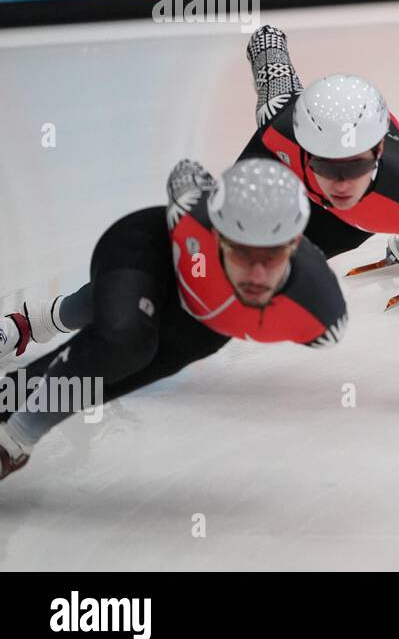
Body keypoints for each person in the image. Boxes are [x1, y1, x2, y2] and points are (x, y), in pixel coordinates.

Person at [0, 159, 347, 480]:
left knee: (111, 369)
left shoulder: (320, 313)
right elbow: (187, 170)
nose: (256, 274)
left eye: (270, 258)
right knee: (123, 335)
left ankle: (12, 419)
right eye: (242, 253)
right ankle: (23, 338)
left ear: (292, 246)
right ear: (220, 237)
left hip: (201, 323)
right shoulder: (192, 216)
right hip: (149, 245)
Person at [239, 26, 399, 411]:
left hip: (345, 225)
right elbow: (268, 51)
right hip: (285, 187)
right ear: (304, 148)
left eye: (357, 166)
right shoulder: (279, 122)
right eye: (327, 166)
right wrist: (267, 34)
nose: (342, 183)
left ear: (379, 150)